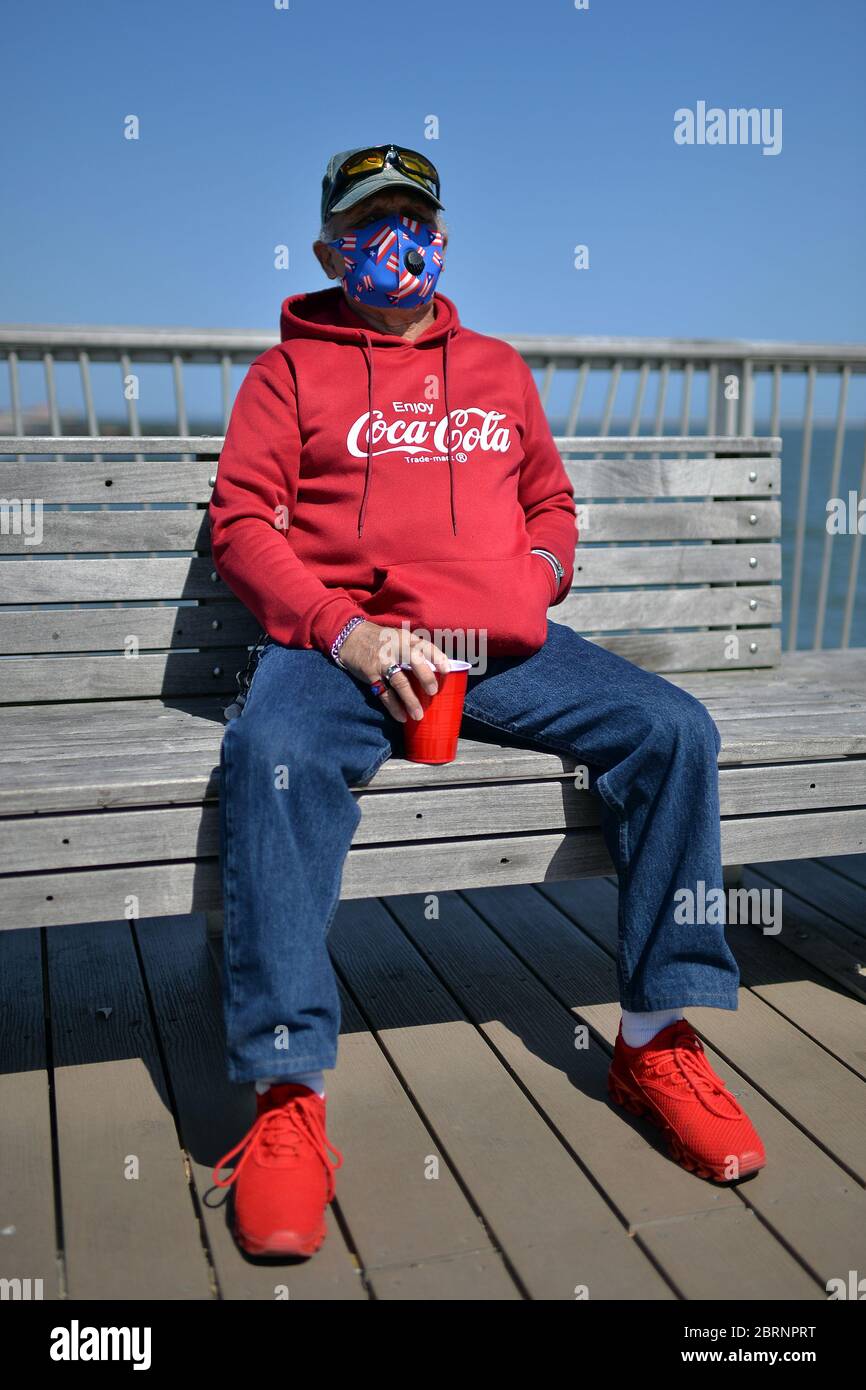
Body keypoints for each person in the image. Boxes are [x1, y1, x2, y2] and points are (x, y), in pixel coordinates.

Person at [208, 143, 766, 1260]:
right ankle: (285, 1099)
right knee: (271, 755)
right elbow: (240, 527)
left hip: (502, 648)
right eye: (368, 224)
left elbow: (551, 502)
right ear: (328, 248)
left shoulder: (498, 368)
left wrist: (534, 581)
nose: (393, 242)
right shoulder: (287, 372)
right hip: (347, 650)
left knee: (672, 729)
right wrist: (345, 633)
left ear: (443, 236)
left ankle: (654, 1036)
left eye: (412, 218)